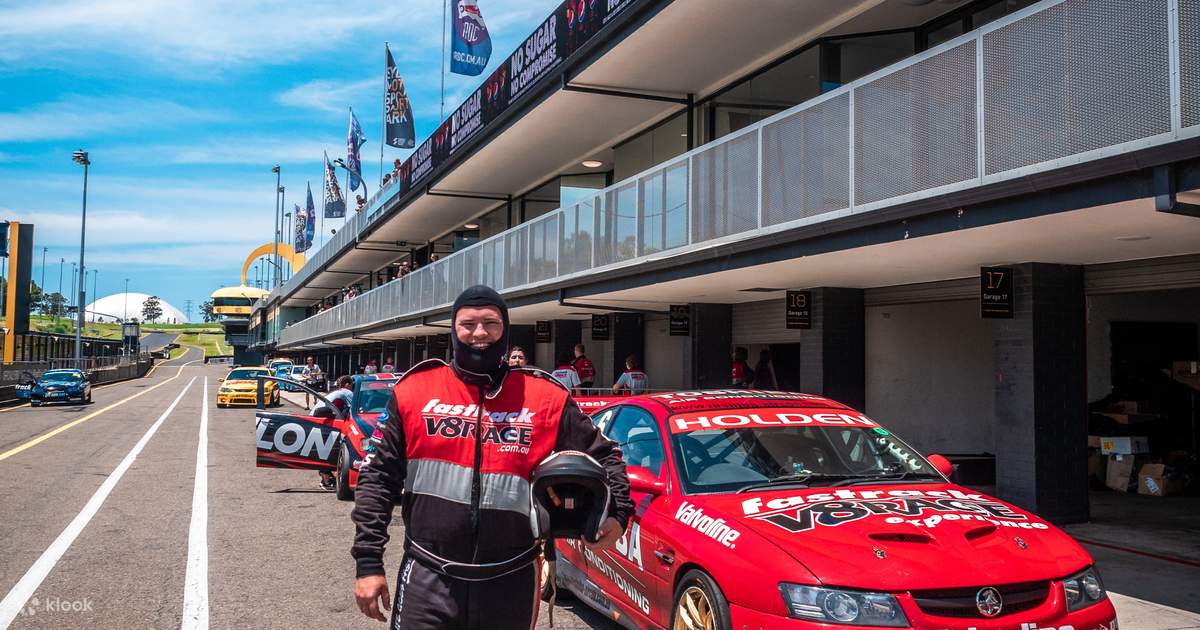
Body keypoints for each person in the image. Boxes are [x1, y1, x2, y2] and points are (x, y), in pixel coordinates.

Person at [352, 285, 632, 628]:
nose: (479, 333)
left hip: (511, 580)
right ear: (453, 330)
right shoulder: (414, 391)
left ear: (506, 330)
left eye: (490, 323)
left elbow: (607, 456)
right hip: (428, 577)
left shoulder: (546, 397)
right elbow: (377, 478)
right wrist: (368, 563)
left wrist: (618, 513)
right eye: (467, 324)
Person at [315, 375, 355, 490]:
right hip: (321, 420)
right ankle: (325, 480)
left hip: (318, 420)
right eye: (352, 385)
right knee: (327, 450)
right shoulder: (347, 393)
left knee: (324, 449)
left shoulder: (338, 392)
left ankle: (326, 477)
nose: (352, 388)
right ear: (347, 385)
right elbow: (355, 409)